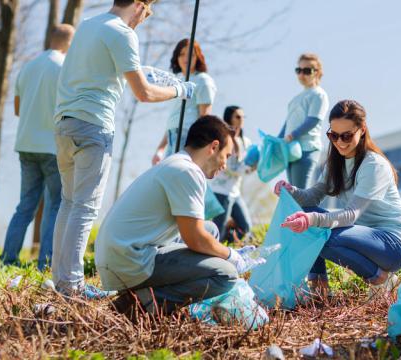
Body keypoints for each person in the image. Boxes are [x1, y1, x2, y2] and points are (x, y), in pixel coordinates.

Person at [52, 0, 195, 299]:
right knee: (85, 207)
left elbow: (96, 69)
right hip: (93, 126)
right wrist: (179, 90)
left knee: (68, 203)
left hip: (65, 123)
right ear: (140, 6)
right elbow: (143, 93)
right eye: (147, 13)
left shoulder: (88, 25)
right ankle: (73, 286)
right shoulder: (123, 33)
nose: (144, 20)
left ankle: (62, 280)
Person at [96, 116, 261, 316]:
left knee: (211, 229)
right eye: (226, 156)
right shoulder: (187, 172)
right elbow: (195, 239)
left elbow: (200, 232)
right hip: (128, 260)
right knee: (225, 275)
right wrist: (231, 255)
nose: (225, 165)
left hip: (121, 253)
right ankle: (140, 304)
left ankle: (152, 294)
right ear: (213, 147)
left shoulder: (177, 163)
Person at [274, 100, 401, 294]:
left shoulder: (373, 165)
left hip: (393, 245)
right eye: (333, 135)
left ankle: (380, 277)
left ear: (362, 129)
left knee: (316, 230)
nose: (339, 142)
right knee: (307, 218)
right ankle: (319, 288)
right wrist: (292, 192)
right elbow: (312, 197)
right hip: (362, 237)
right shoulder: (335, 164)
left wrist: (312, 220)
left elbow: (351, 215)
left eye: (347, 136)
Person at [1, 25, 76, 271]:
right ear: (68, 42)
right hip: (52, 146)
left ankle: (8, 260)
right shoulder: (65, 68)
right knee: (55, 204)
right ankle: (45, 264)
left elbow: (17, 109)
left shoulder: (28, 67)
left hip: (26, 144)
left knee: (25, 206)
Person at [152, 39, 216, 163]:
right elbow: (174, 120)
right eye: (181, 54)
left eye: (191, 54)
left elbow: (204, 117)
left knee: (176, 177)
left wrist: (196, 145)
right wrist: (160, 148)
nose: (186, 58)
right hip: (173, 136)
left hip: (188, 136)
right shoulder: (177, 82)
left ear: (198, 57)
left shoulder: (202, 80)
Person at [278, 53, 329, 189]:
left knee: (300, 193)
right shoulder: (295, 99)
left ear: (317, 72)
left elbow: (313, 120)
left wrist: (292, 135)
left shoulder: (319, 94)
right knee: (294, 193)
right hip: (291, 150)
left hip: (307, 148)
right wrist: (278, 140)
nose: (302, 74)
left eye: (307, 70)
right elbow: (288, 123)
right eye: (299, 70)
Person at [209, 106, 254, 241]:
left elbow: (247, 164)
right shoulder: (223, 139)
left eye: (243, 117)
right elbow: (226, 165)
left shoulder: (246, 142)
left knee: (246, 227)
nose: (241, 120)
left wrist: (253, 167)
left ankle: (224, 243)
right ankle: (212, 252)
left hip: (235, 192)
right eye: (237, 117)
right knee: (218, 229)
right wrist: (244, 169)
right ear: (229, 118)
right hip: (221, 191)